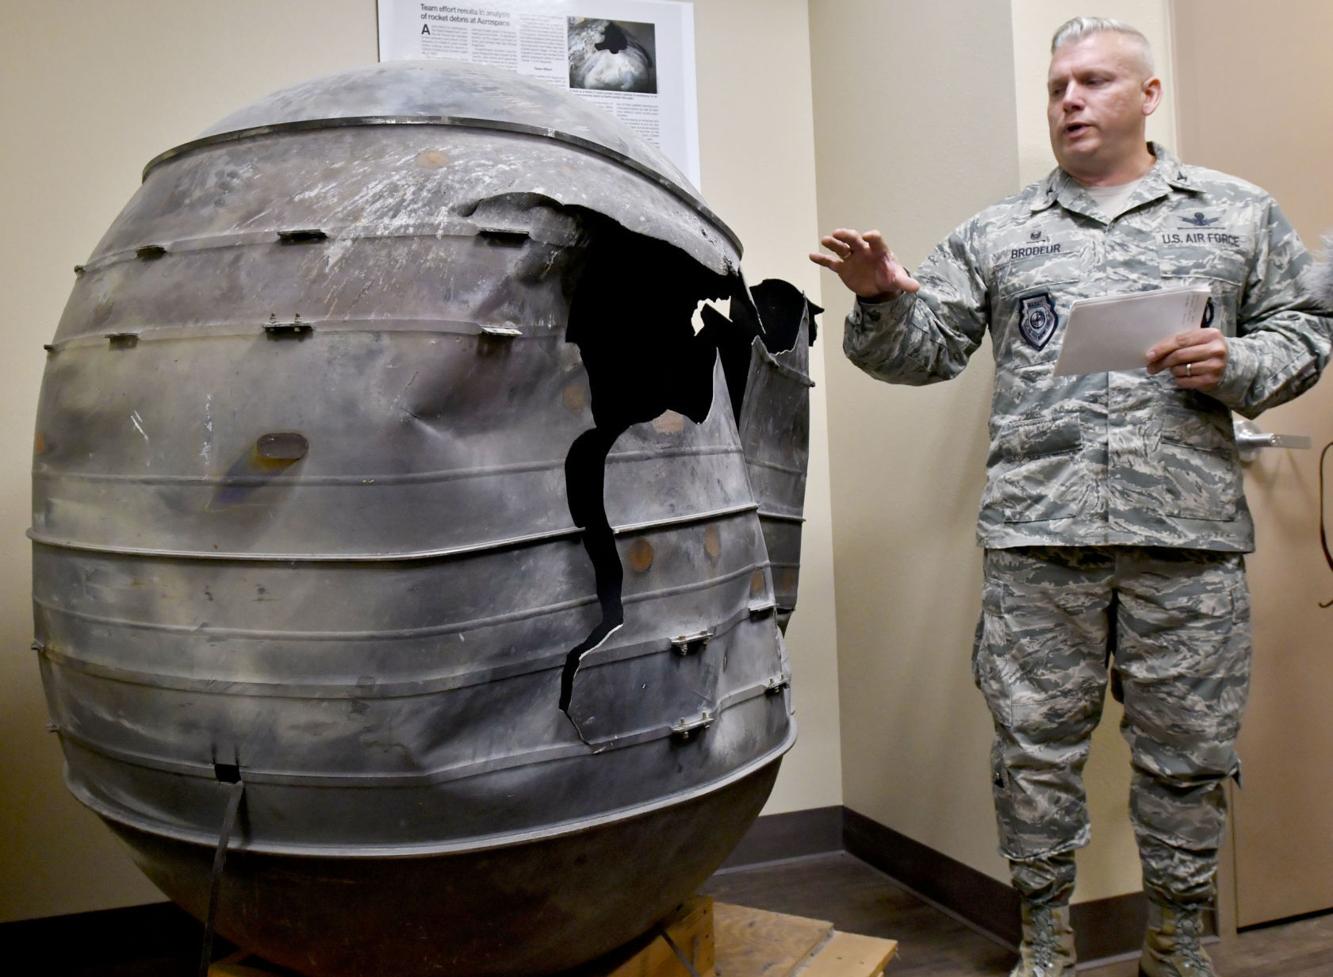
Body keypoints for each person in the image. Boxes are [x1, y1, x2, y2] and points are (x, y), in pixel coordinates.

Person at [810, 16, 1331, 977]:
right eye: (1056, 87)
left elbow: (1304, 330)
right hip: (1038, 539)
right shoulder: (1000, 233)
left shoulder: (1235, 213)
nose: (1069, 101)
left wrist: (1239, 359)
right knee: (1032, 750)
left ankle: (1175, 937)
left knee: (1188, 751)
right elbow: (922, 356)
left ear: (1146, 95)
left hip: (1187, 537)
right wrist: (881, 298)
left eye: (1091, 82)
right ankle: (1044, 933)